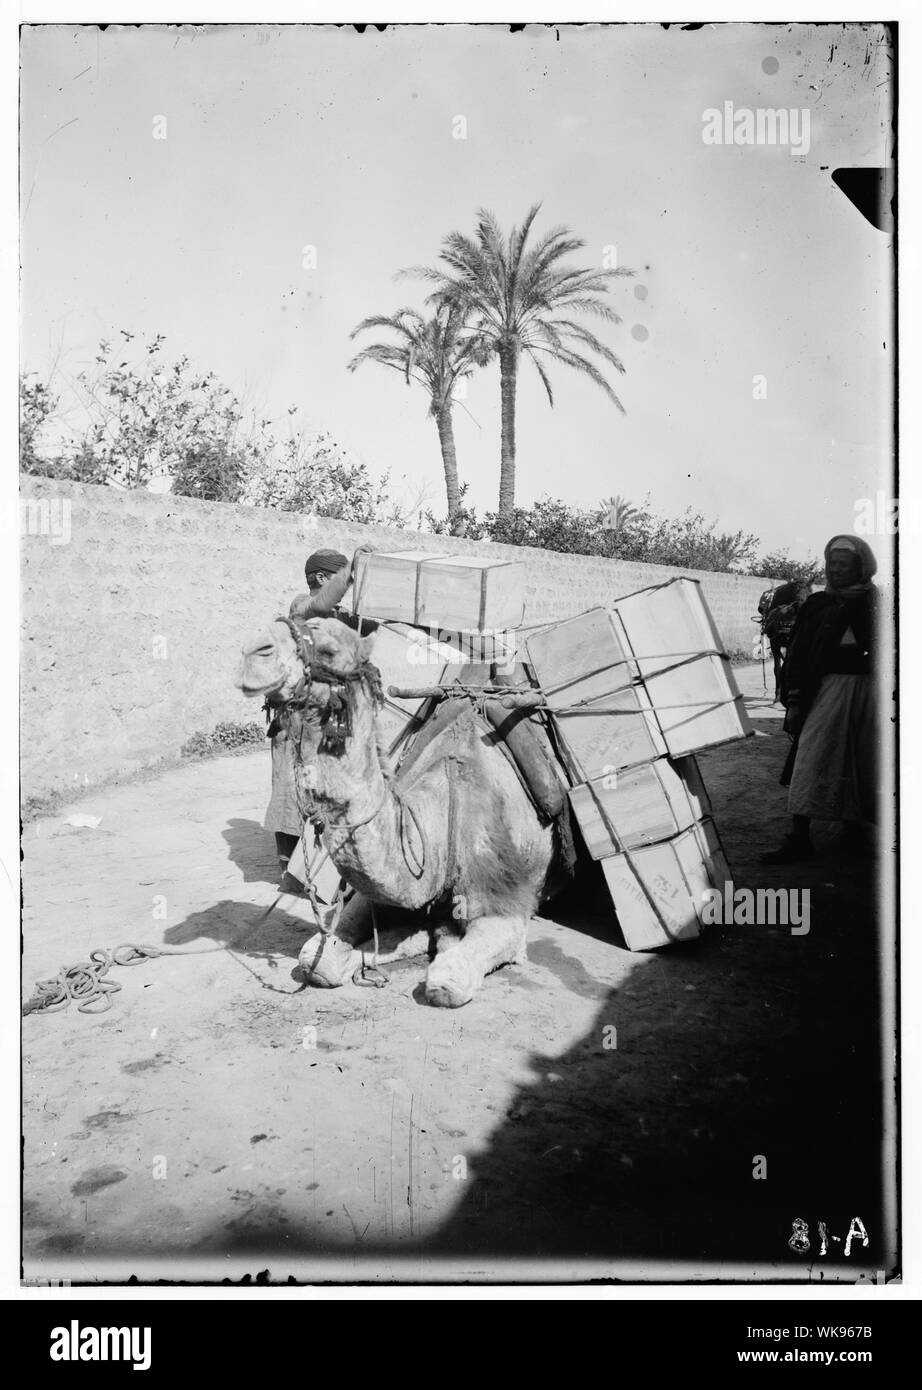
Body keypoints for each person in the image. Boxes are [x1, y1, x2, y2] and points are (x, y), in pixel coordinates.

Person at [762, 534, 880, 862]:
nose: (837, 570)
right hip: (826, 691)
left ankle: (853, 834)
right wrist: (795, 699)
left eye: (845, 564)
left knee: (861, 759)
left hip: (871, 693)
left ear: (861, 567)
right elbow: (798, 653)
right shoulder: (817, 604)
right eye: (832, 564)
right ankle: (800, 838)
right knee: (810, 756)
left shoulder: (876, 602)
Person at [265, 546, 373, 872]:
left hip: (323, 718)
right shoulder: (302, 606)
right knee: (290, 790)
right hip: (296, 720)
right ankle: (288, 869)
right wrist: (354, 567)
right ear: (324, 578)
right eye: (340, 580)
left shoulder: (335, 619)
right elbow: (320, 603)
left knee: (322, 790)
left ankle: (314, 867)